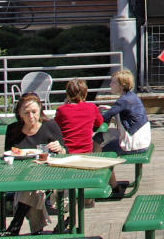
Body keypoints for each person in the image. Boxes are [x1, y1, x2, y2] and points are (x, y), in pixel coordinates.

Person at [4, 93, 66, 234]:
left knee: (33, 187)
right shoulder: (13, 130)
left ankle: (16, 224)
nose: (31, 116)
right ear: (19, 113)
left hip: (48, 172)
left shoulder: (50, 126)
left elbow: (63, 152)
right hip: (20, 174)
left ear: (40, 111)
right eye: (26, 113)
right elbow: (7, 154)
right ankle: (35, 232)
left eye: (34, 112)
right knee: (34, 188)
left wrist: (60, 148)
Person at [100, 68, 150, 196]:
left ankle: (112, 186)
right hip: (142, 140)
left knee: (102, 152)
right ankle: (112, 183)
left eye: (113, 83)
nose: (110, 85)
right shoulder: (130, 97)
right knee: (102, 140)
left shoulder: (123, 101)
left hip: (135, 144)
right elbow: (119, 113)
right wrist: (110, 110)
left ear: (122, 86)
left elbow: (103, 118)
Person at [55, 78, 103, 155]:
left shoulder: (61, 110)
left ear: (68, 94)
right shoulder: (92, 107)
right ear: (85, 93)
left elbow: (56, 127)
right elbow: (99, 123)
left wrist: (65, 105)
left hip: (67, 152)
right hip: (87, 152)